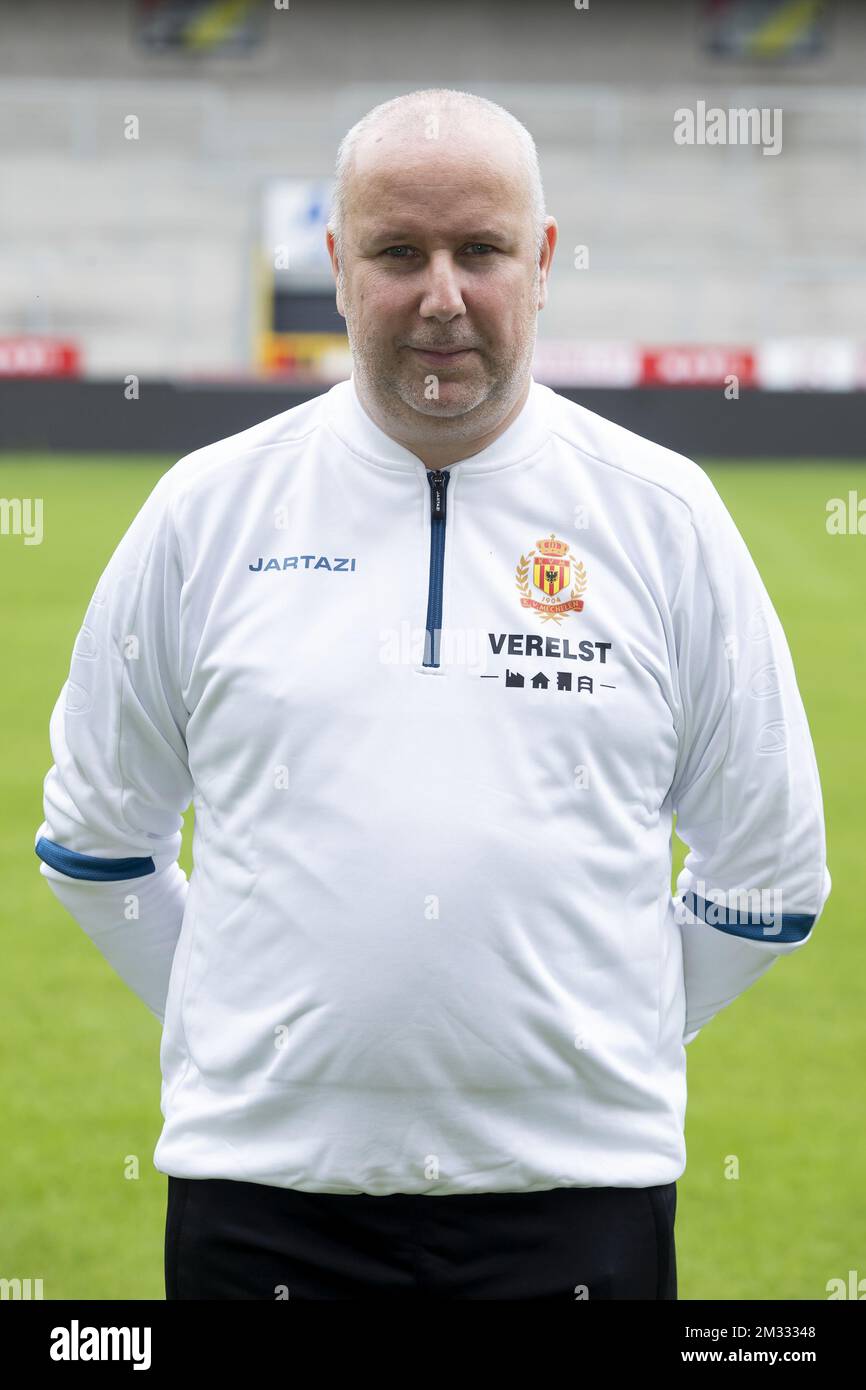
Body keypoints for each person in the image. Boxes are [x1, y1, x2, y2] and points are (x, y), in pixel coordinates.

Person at [34, 88, 831, 1301]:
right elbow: (96, 841)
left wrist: (584, 1035)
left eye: (482, 250)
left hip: (579, 1202)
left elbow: (768, 877)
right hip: (260, 1202)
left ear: (544, 261)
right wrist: (255, 1031)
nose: (442, 295)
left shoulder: (663, 520)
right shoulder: (206, 511)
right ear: (339, 266)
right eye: (399, 253)